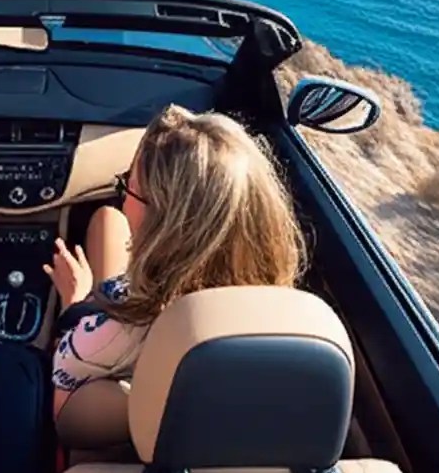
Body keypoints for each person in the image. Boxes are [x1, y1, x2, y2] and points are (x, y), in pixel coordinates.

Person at [44, 104, 306, 418]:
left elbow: (64, 369)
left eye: (129, 185)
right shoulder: (285, 313)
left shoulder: (125, 330)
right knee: (109, 220)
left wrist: (76, 300)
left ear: (165, 226)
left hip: (112, 425)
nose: (123, 196)